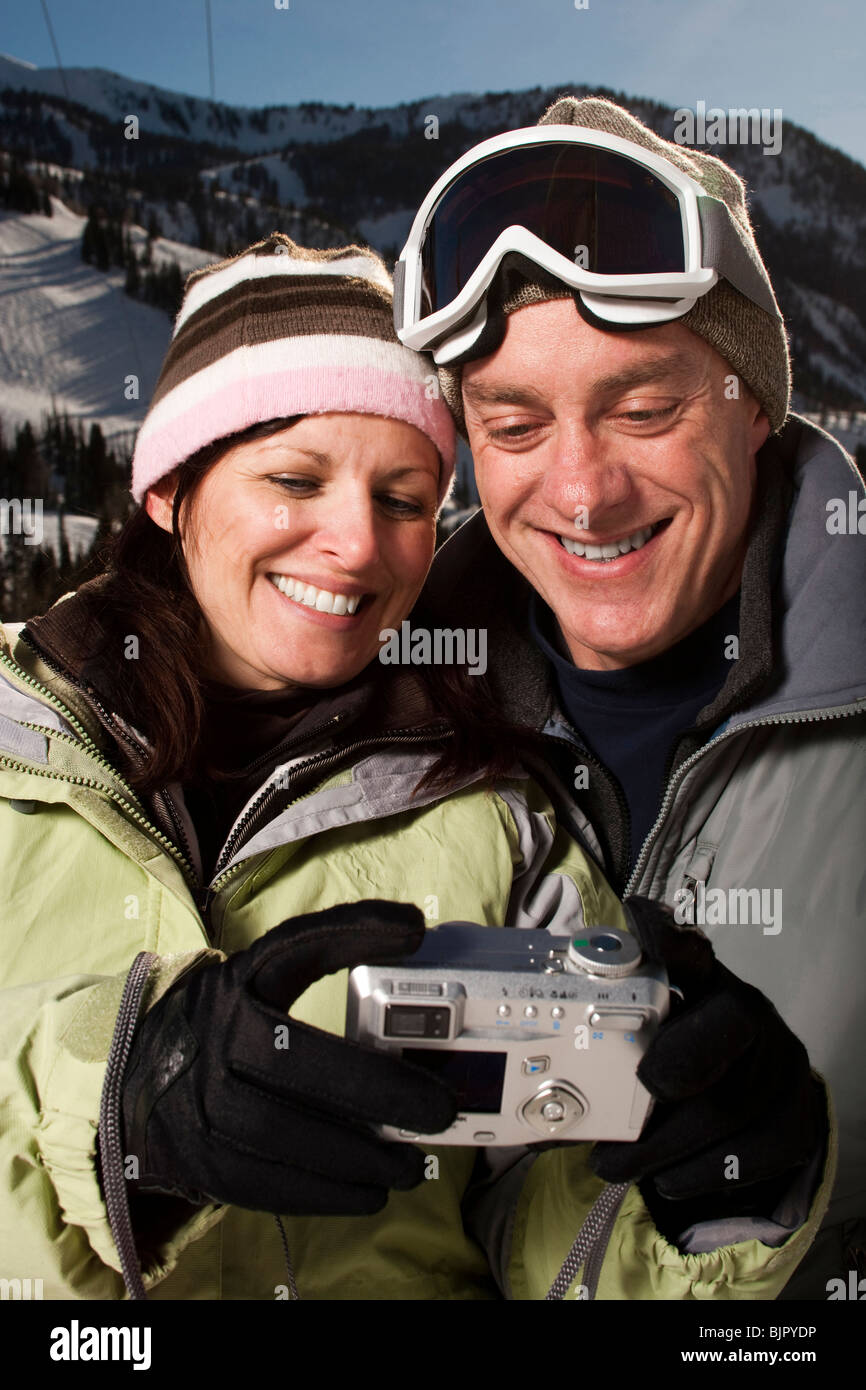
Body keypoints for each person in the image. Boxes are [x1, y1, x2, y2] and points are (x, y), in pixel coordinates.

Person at [0, 231, 827, 1302]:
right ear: (170, 492)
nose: (357, 544)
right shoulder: (19, 743)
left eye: (403, 501)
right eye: (294, 478)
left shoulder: (495, 810)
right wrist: (112, 1100)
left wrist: (713, 1196)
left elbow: (546, 1224)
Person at [399, 94, 863, 1299]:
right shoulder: (378, 712)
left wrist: (785, 1195)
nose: (583, 493)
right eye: (511, 424)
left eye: (643, 408)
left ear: (751, 405)